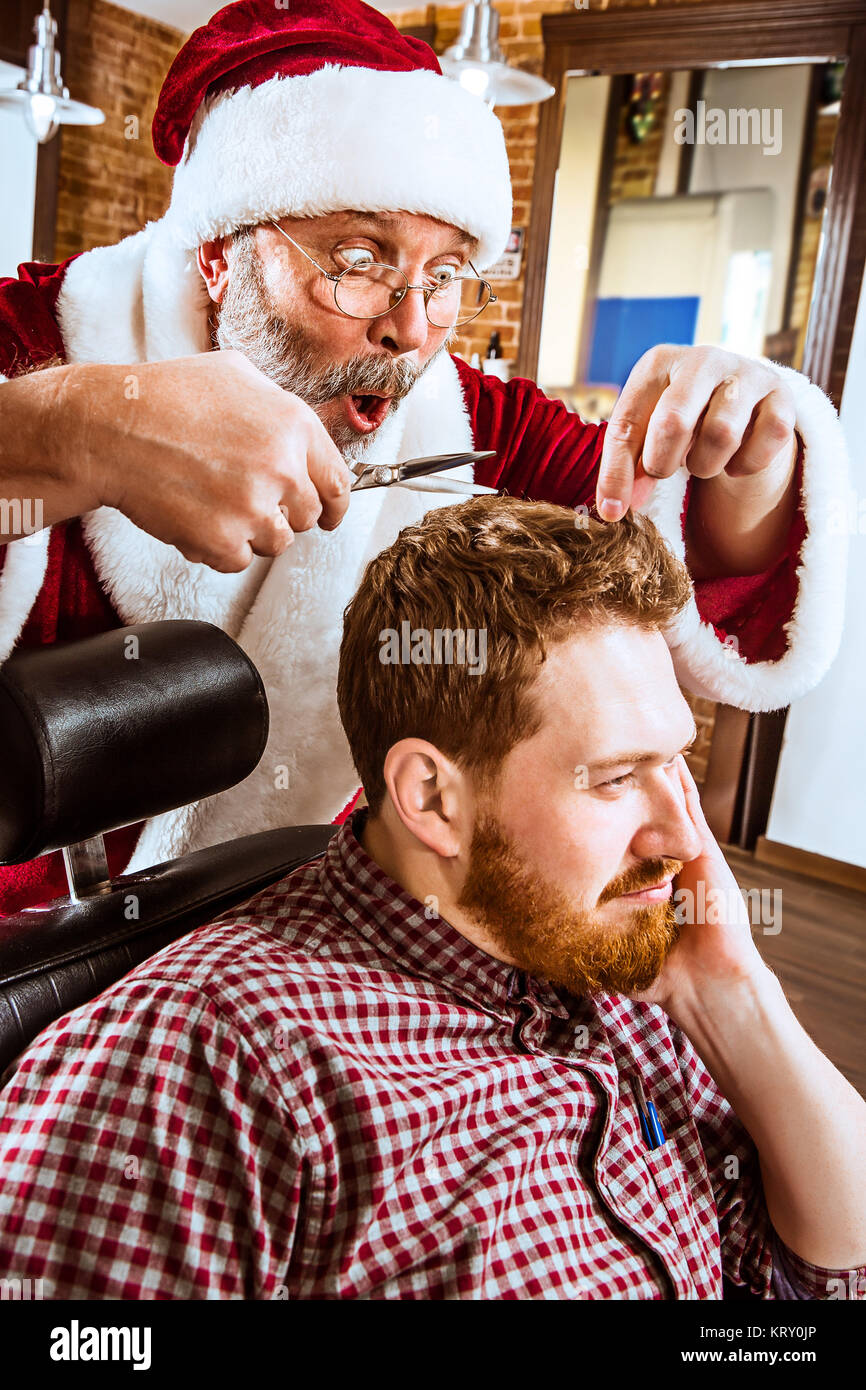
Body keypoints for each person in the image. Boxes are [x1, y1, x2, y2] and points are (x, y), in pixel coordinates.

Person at [0, 0, 849, 912]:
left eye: (444, 278)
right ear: (219, 254)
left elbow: (655, 534)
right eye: (360, 259)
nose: (412, 330)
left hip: (283, 935)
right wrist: (78, 428)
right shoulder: (42, 336)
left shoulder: (462, 416)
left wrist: (744, 446)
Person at [0, 495, 862, 1300]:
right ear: (432, 798)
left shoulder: (625, 952)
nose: (681, 840)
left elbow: (810, 1275)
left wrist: (737, 998)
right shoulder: (205, 1066)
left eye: (672, 762)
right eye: (614, 777)